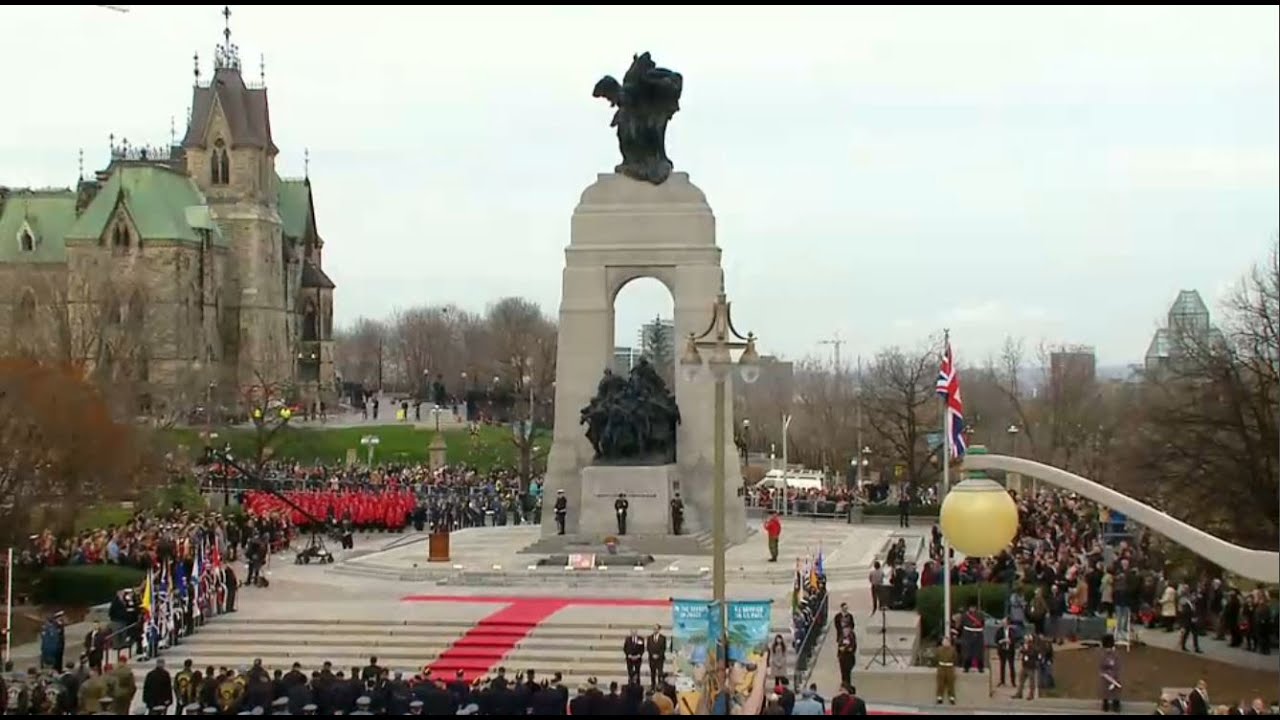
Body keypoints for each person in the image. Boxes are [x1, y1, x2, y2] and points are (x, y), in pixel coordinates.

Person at [1097, 633, 1122, 712]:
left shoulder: (1116, 654)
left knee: (1115, 689)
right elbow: (1100, 665)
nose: (1108, 650)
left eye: (1109, 647)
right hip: (1105, 675)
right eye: (1106, 648)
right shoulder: (1102, 654)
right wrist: (1103, 672)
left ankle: (1116, 702)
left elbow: (1118, 665)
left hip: (1114, 675)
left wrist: (1114, 675)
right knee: (1104, 688)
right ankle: (1105, 702)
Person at [1013, 633, 1040, 700]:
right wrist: (1021, 650)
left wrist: (1025, 650)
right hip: (1025, 666)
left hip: (1031, 667)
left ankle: (1031, 695)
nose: (1025, 640)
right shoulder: (1025, 646)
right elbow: (1021, 653)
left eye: (1026, 639)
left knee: (1031, 682)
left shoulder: (1034, 647)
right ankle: (1019, 693)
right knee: (1021, 680)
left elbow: (1032, 654)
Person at [934, 637, 957, 705]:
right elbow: (936, 657)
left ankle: (952, 698)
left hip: (950, 667)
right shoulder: (939, 649)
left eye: (947, 641)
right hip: (941, 667)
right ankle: (939, 697)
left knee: (951, 683)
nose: (946, 643)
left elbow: (955, 658)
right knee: (940, 683)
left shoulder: (953, 649)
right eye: (944, 641)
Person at [995, 617, 1017, 687]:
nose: (1003, 624)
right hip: (1002, 650)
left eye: (1004, 622)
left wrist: (1010, 640)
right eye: (1002, 623)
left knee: (1011, 666)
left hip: (1010, 650)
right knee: (1002, 666)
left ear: (1007, 623)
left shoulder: (1012, 630)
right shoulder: (999, 630)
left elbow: (1015, 639)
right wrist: (1002, 641)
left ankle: (1013, 682)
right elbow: (996, 640)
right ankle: (1002, 681)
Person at [646, 624, 667, 688]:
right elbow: (648, 647)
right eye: (654, 629)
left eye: (656, 629)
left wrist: (658, 655)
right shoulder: (649, 638)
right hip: (652, 658)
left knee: (660, 673)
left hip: (660, 659)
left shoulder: (663, 638)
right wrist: (652, 655)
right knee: (653, 673)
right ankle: (653, 685)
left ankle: (659, 686)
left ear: (659, 629)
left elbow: (663, 648)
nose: (655, 630)